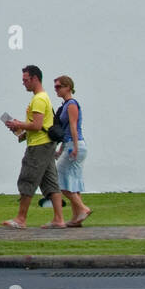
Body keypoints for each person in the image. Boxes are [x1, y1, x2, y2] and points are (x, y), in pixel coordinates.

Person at [2, 65, 66, 229]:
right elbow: (40, 124)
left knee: (27, 179)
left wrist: (18, 123)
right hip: (46, 145)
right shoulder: (42, 97)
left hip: (39, 146)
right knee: (50, 181)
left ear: (35, 78)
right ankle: (59, 219)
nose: (23, 83)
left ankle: (21, 218)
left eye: (26, 80)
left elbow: (37, 125)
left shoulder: (38, 99)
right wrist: (21, 129)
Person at [52, 75, 91, 226]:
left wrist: (74, 147)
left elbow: (73, 127)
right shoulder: (66, 104)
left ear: (68, 87)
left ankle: (82, 208)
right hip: (70, 145)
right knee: (73, 182)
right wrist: (61, 149)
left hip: (75, 145)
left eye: (58, 86)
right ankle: (77, 217)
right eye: (55, 86)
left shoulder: (72, 104)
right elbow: (66, 130)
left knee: (58, 179)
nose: (56, 89)